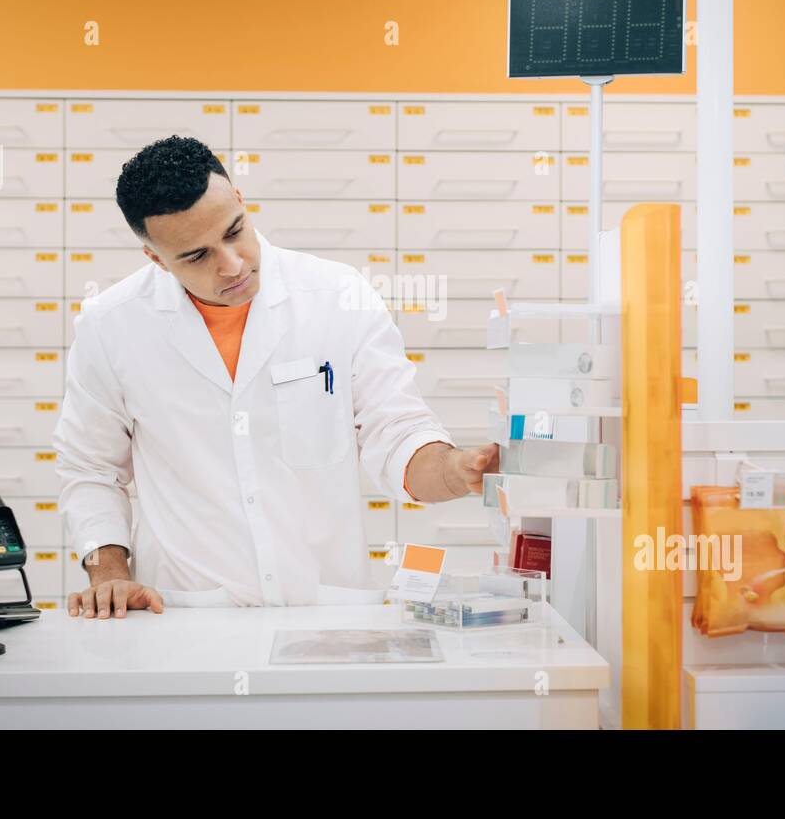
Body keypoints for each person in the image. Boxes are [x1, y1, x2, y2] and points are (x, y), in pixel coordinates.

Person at [53, 136, 498, 618]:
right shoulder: (111, 325)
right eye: (197, 257)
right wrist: (109, 572)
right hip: (186, 615)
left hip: (324, 608)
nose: (232, 264)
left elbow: (396, 432)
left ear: (241, 201)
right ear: (157, 259)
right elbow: (91, 469)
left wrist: (455, 470)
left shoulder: (337, 295)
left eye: (233, 231)